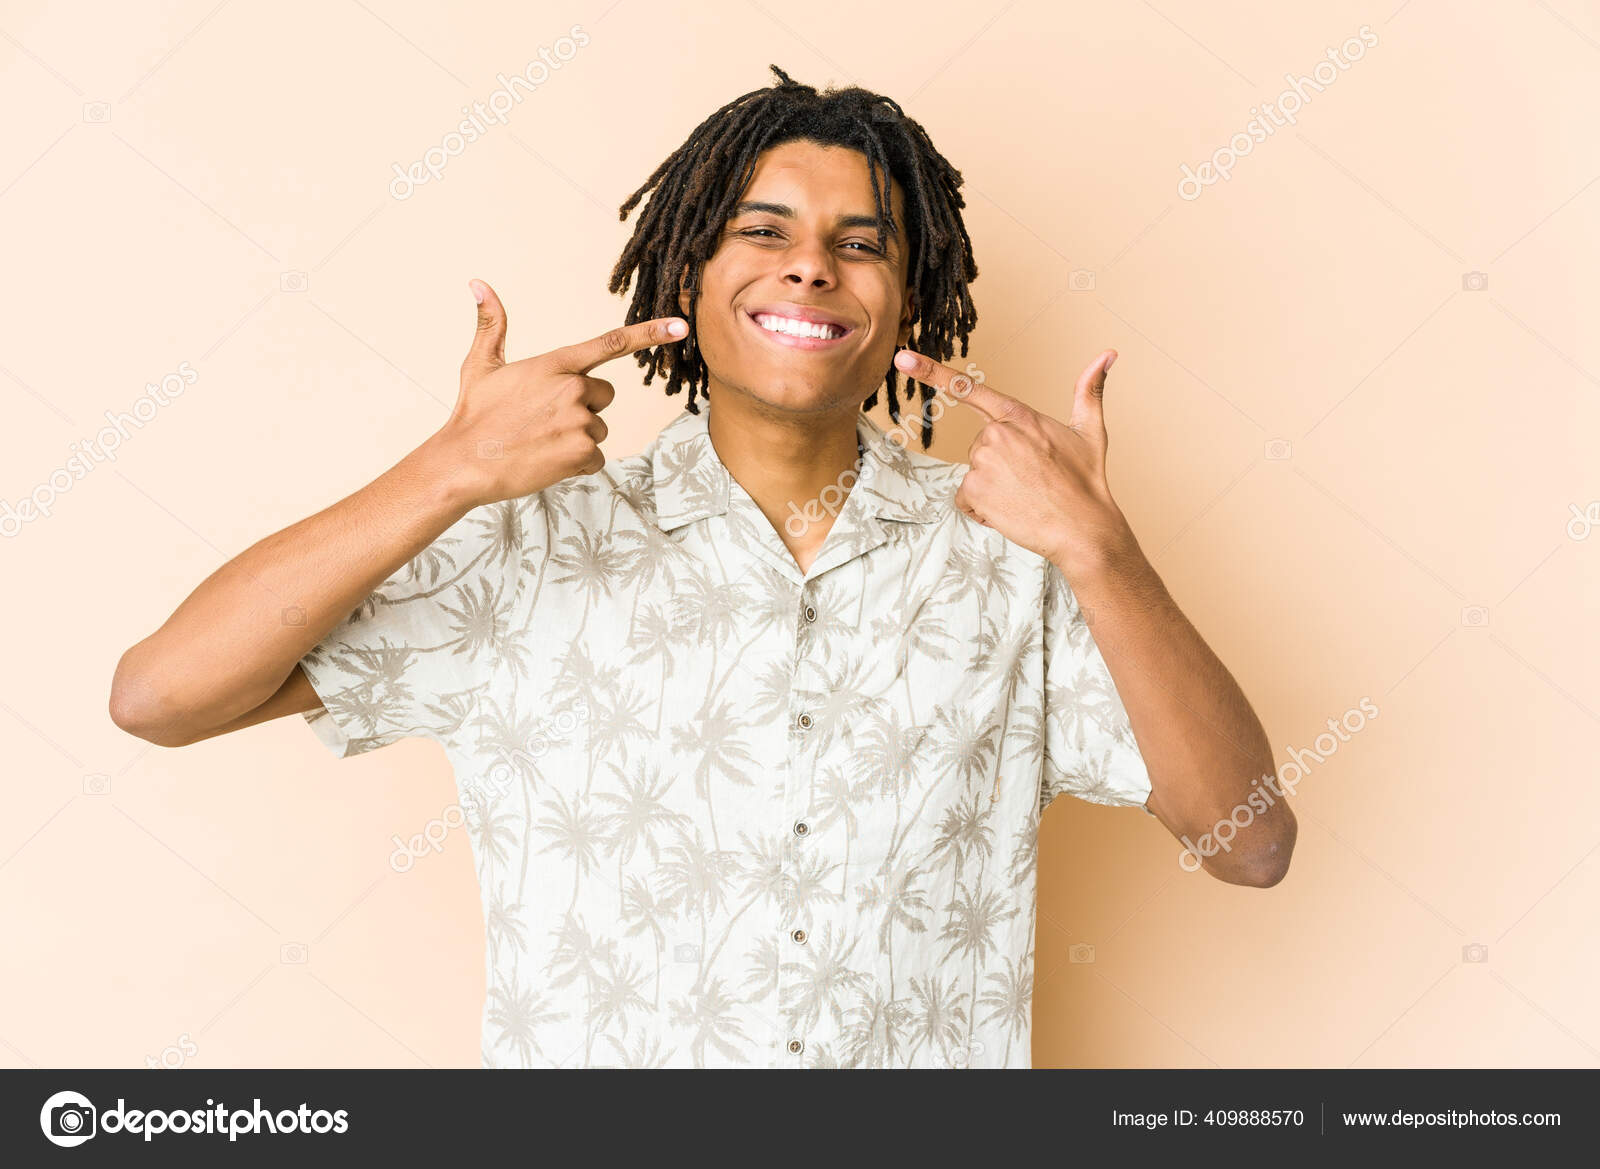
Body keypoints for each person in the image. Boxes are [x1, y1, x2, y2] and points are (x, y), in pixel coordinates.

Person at [111, 66, 1295, 1068]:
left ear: (910, 301)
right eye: (762, 231)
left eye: (860, 244)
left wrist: (1103, 547)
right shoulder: (530, 542)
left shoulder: (1019, 558)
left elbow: (1247, 842)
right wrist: (447, 470)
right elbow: (161, 695)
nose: (810, 269)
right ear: (684, 274)